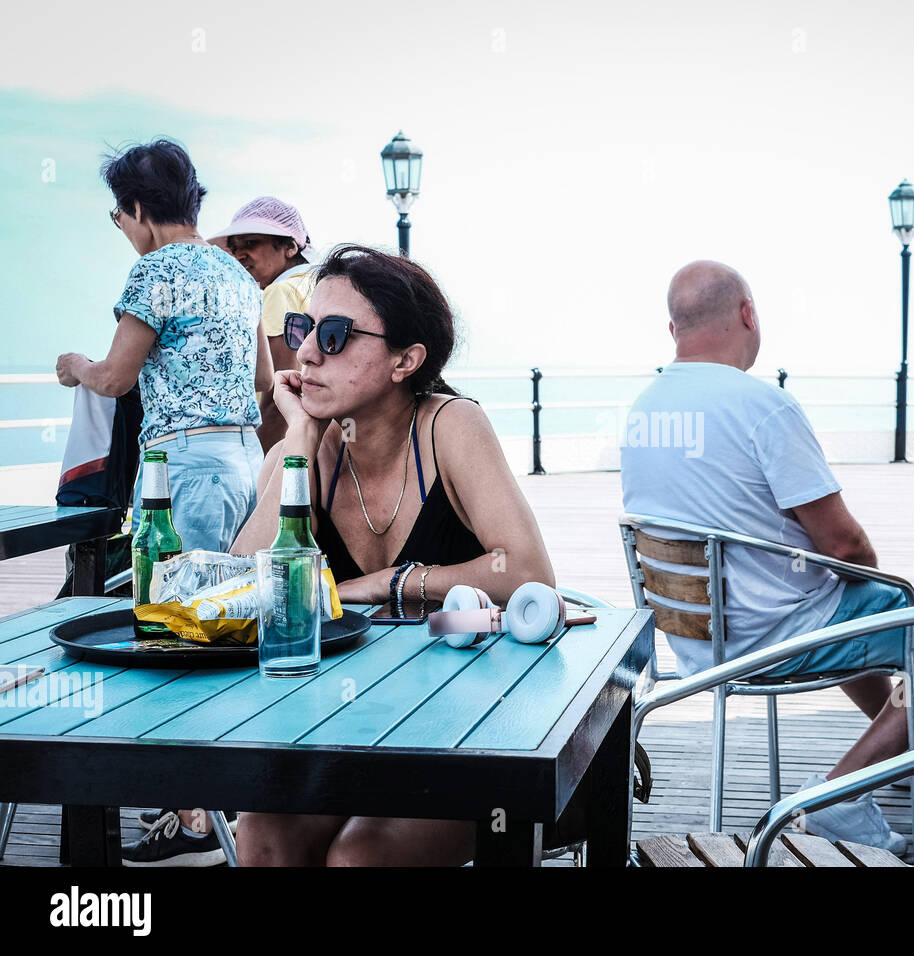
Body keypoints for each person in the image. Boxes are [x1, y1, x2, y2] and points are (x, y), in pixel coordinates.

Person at [231, 244, 555, 866]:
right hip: (350, 725)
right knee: (265, 836)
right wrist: (298, 439)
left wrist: (388, 582)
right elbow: (246, 586)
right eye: (302, 330)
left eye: (334, 335)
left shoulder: (449, 428)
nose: (304, 353)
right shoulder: (309, 451)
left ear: (406, 359)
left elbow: (526, 573)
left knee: (360, 859)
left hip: (472, 724)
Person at [620, 260, 914, 853]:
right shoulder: (763, 406)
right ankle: (841, 796)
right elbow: (846, 547)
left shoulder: (643, 410)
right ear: (748, 314)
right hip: (780, 634)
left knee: (868, 612)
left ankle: (896, 757)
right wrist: (881, 588)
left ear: (674, 329)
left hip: (701, 642)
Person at [53, 138, 270, 866]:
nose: (124, 230)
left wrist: (71, 367)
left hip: (185, 464)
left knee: (180, 629)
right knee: (225, 616)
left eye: (120, 216)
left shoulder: (154, 271)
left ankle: (194, 816)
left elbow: (115, 378)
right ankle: (215, 796)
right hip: (242, 458)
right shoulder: (239, 277)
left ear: (140, 210)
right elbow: (265, 378)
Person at [209, 197, 317, 452]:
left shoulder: (279, 292)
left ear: (290, 247)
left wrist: (260, 470)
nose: (239, 255)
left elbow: (279, 395)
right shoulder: (318, 284)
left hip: (286, 445)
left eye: (251, 243)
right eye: (234, 248)